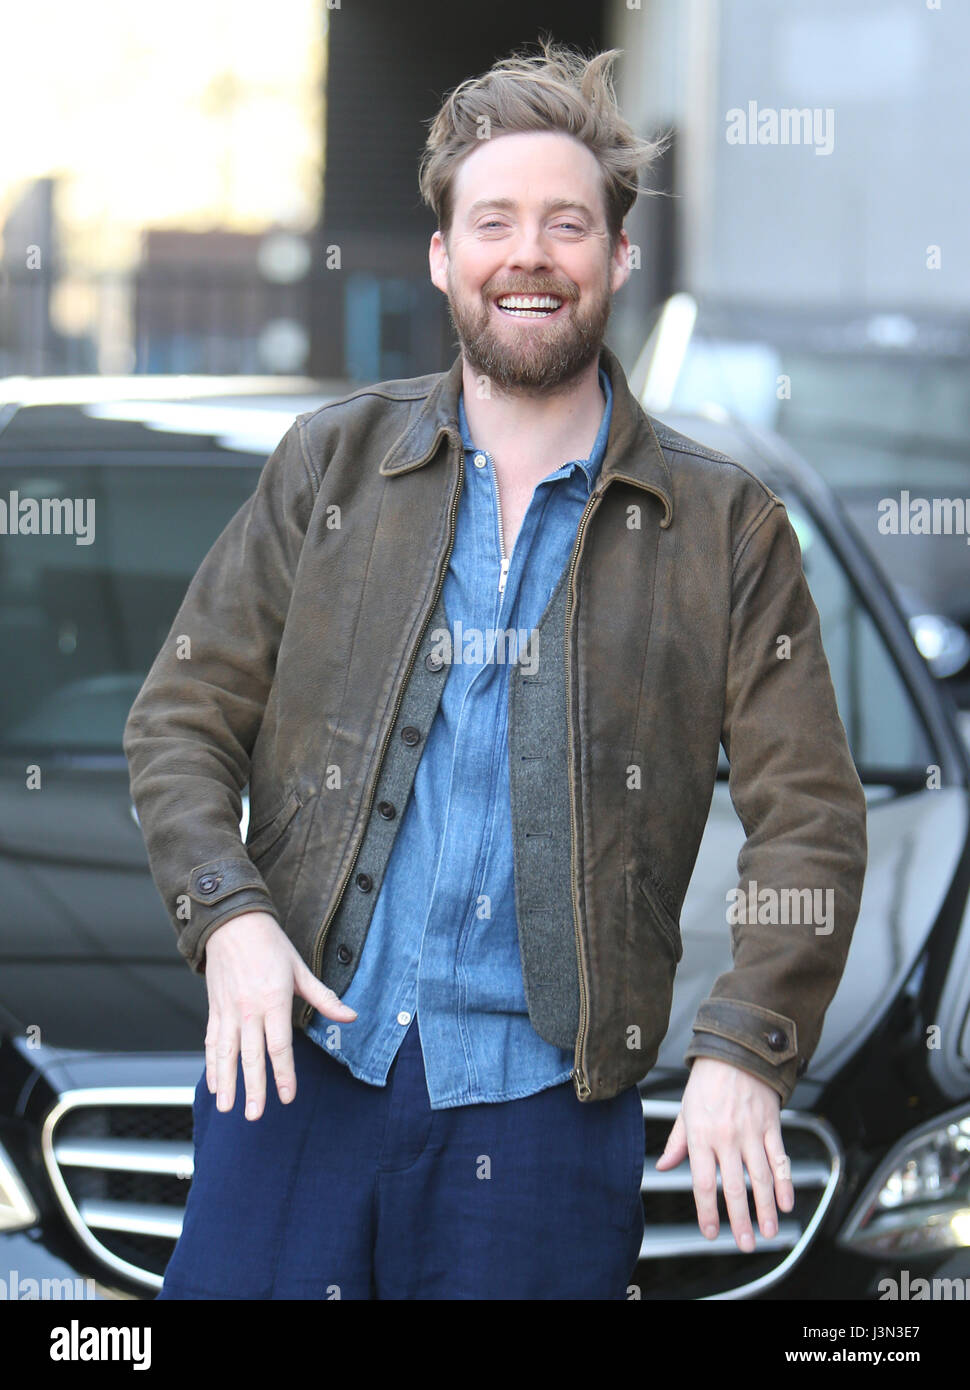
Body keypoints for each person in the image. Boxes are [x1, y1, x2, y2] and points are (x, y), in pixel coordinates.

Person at [124, 39, 868, 1300]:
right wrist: (230, 916)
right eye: (495, 221)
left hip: (541, 1122)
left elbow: (811, 819)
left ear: (617, 258)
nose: (530, 254)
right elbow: (181, 717)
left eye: (566, 224)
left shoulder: (725, 526)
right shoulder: (331, 466)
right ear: (443, 256)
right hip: (297, 1074)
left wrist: (748, 1042)